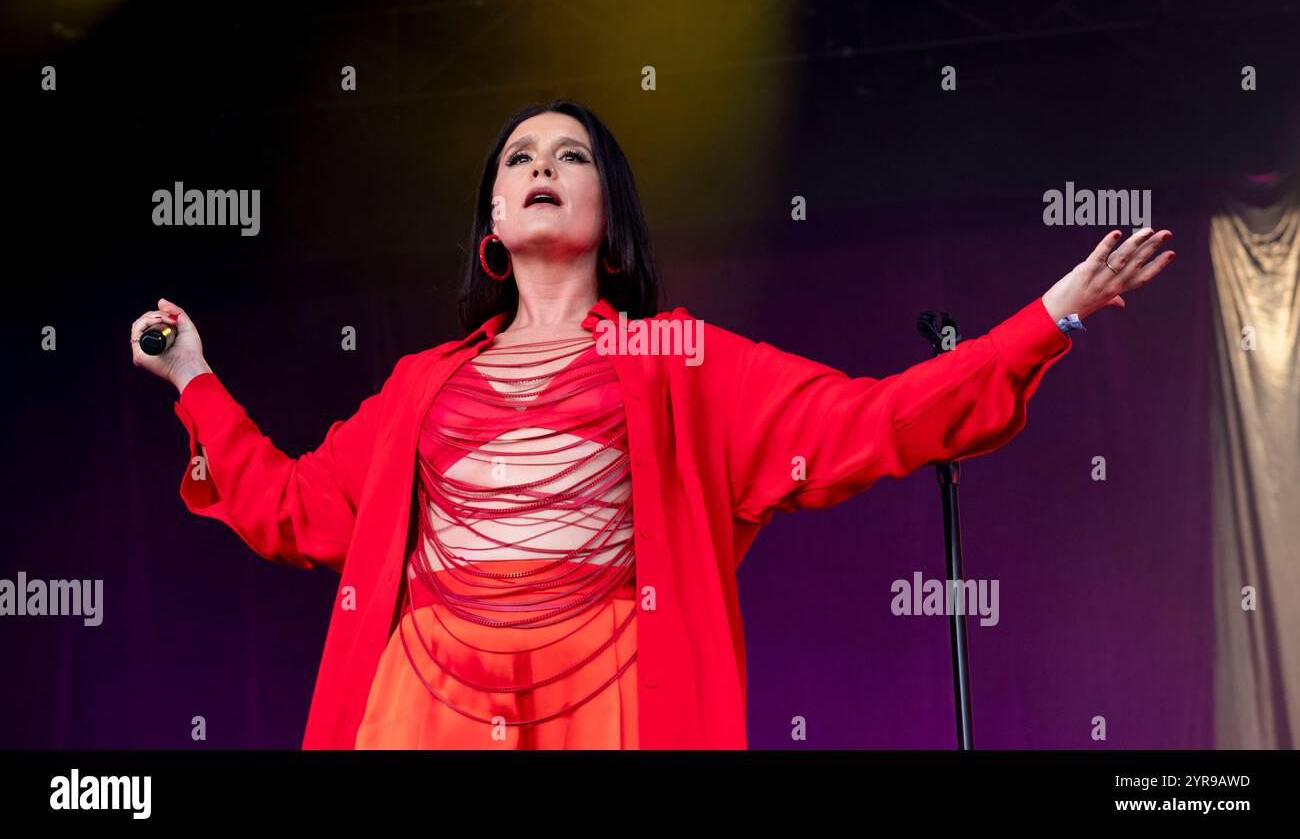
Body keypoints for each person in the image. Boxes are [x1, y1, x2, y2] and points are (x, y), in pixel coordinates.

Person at [131, 99, 1175, 750]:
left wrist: (1047, 319)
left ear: (608, 210)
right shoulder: (419, 385)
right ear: (492, 223)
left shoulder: (665, 354)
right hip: (426, 697)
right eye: (519, 157)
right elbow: (292, 510)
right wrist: (195, 378)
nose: (541, 165)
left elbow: (869, 417)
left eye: (570, 155)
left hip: (611, 692)